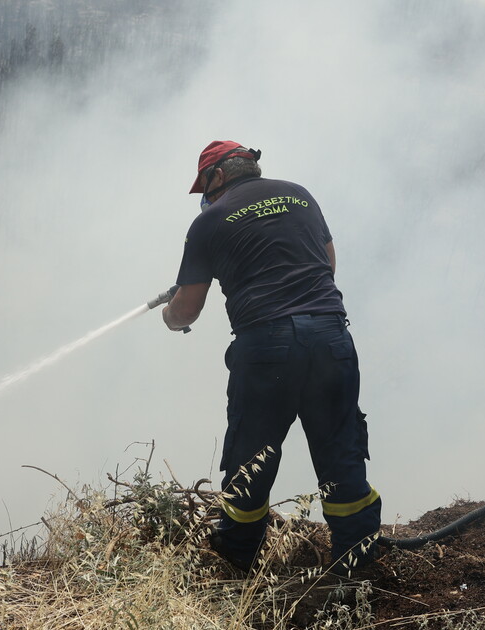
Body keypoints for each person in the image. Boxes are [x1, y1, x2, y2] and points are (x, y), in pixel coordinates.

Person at [162, 140, 381, 574]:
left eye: (204, 188)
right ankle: (356, 572)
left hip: (267, 349)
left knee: (250, 463)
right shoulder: (300, 194)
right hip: (331, 337)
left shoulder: (208, 221)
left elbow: (187, 309)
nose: (204, 198)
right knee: (341, 455)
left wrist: (171, 314)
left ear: (218, 176)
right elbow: (328, 263)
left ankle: (235, 569)